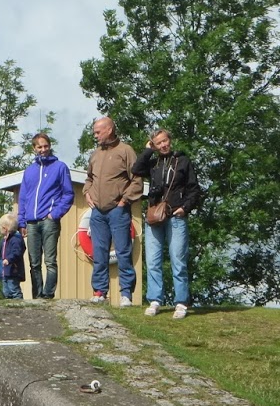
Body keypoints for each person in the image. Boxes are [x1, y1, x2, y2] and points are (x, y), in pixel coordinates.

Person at [133, 128, 202, 320]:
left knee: (178, 261)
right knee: (153, 261)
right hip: (154, 217)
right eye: (158, 143)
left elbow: (194, 189)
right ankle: (155, 300)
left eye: (165, 141)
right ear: (154, 145)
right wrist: (148, 151)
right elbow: (136, 169)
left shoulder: (183, 161)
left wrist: (185, 208)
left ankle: (181, 303)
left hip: (176, 217)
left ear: (170, 140)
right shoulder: (153, 163)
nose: (163, 145)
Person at [84, 116, 141, 305]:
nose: (95, 135)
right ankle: (100, 292)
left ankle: (126, 294)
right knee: (99, 253)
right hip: (97, 212)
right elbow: (89, 178)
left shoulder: (125, 151)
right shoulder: (95, 154)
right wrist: (86, 193)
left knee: (123, 252)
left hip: (118, 210)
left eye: (98, 132)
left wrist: (124, 201)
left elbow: (137, 180)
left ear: (109, 130)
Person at [17, 132, 73, 299]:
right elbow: (23, 197)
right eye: (39, 147)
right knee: (34, 262)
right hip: (31, 223)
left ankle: (48, 294)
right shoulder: (29, 171)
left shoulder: (60, 167)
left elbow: (68, 194)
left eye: (46, 146)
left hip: (49, 221)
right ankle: (37, 295)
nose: (43, 149)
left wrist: (54, 214)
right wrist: (22, 221)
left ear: (50, 146)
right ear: (34, 148)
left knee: (50, 261)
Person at [0, 212, 26, 299]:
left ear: (5, 228)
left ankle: (19, 304)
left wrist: (9, 259)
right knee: (6, 291)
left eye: (0, 228)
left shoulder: (15, 239)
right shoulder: (4, 240)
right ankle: (9, 305)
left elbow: (17, 252)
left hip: (13, 270)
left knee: (13, 289)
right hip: (5, 271)